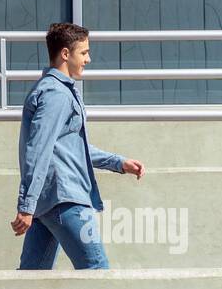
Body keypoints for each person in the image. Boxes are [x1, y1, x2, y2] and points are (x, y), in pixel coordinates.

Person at [12, 22, 145, 270]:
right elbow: (37, 151)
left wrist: (118, 163)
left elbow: (69, 147)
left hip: (49, 202)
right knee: (97, 272)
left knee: (30, 281)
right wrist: (25, 206)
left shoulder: (54, 91)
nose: (88, 59)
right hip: (65, 199)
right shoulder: (56, 94)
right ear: (65, 54)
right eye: (83, 52)